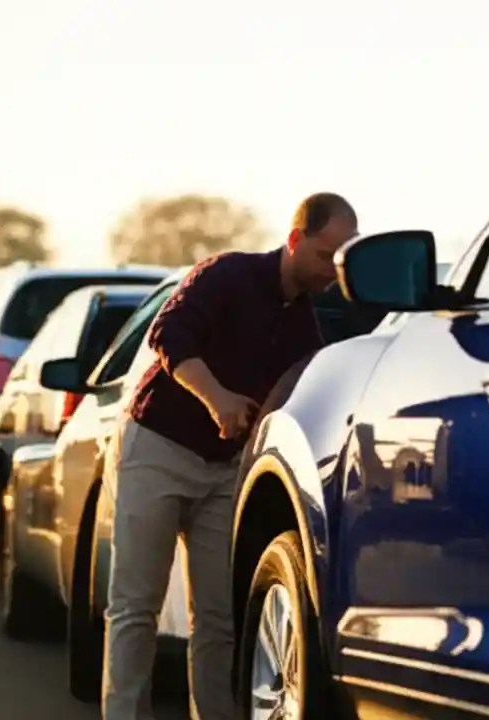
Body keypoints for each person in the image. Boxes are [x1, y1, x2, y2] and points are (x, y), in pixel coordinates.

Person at [102, 193, 359, 720]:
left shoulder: (304, 331)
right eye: (322, 255)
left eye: (339, 259)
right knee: (135, 606)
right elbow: (167, 335)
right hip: (158, 447)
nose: (330, 271)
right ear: (294, 240)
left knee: (217, 617)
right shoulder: (225, 275)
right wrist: (218, 399)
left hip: (224, 473)